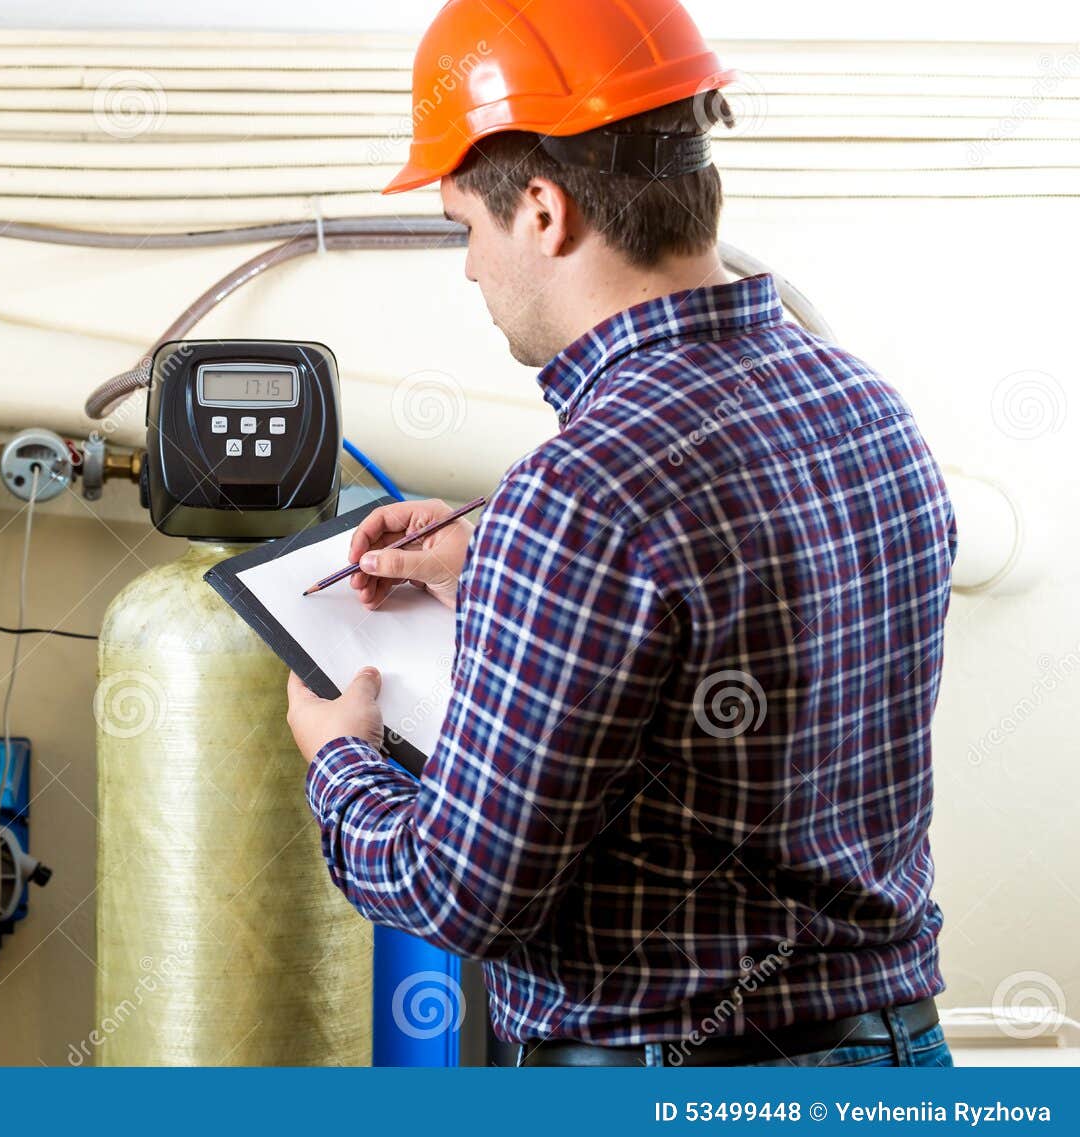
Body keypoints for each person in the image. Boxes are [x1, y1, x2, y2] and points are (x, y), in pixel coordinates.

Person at [284, 0, 957, 1068]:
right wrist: (501, 566)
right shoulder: (860, 400)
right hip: (895, 1058)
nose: (468, 269)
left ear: (542, 210)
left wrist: (339, 761)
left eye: (465, 226)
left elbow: (461, 894)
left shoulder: (582, 492)